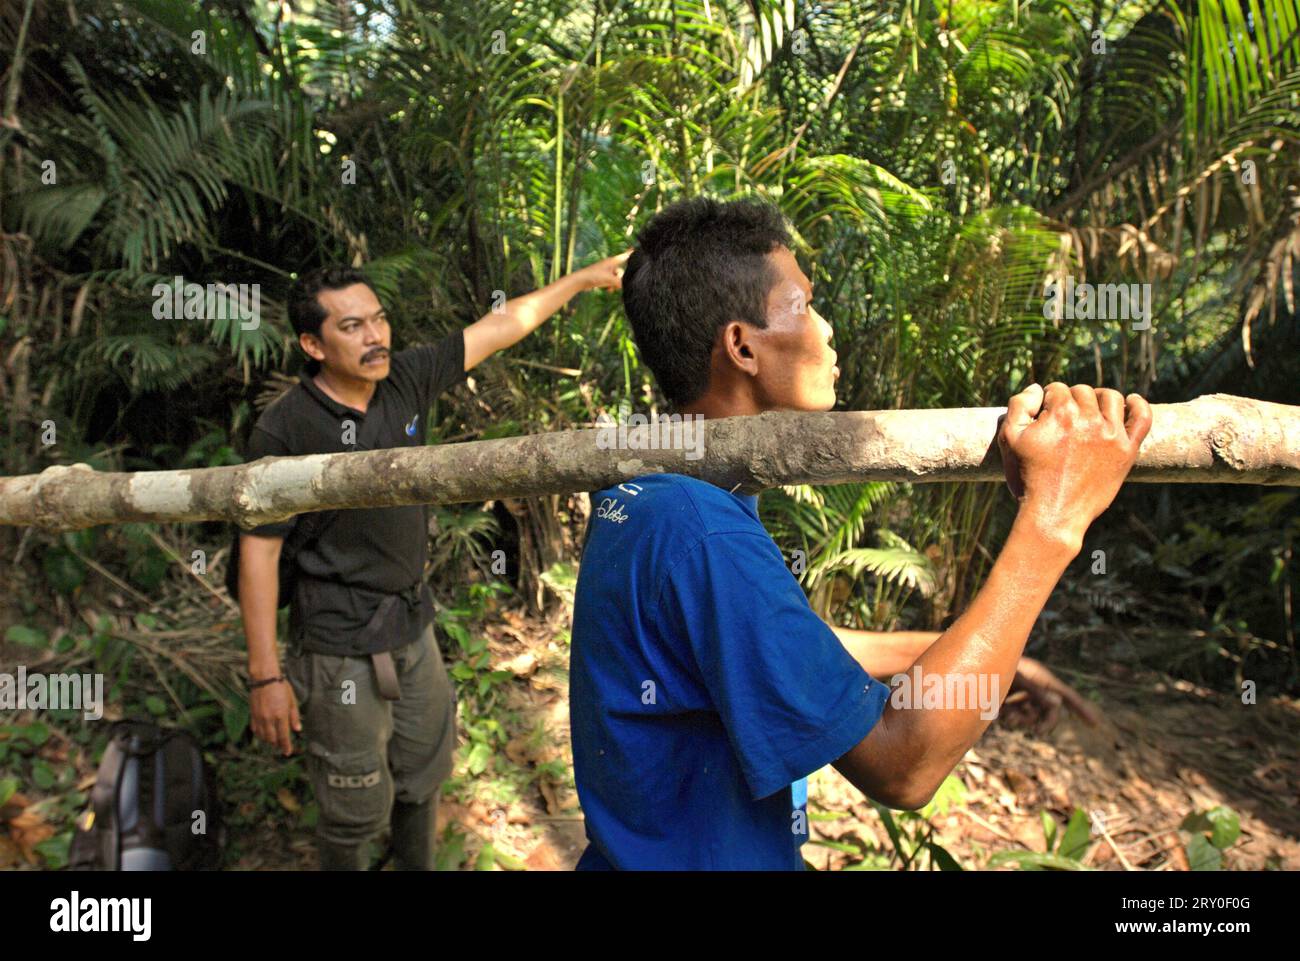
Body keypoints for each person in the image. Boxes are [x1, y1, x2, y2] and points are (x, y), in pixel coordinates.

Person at [569, 197, 1152, 869]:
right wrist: (1054, 518)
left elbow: (775, 647)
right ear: (742, 345)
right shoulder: (703, 530)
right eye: (806, 305)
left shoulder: (648, 496)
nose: (826, 328)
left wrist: (981, 657)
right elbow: (902, 761)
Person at [238, 254, 627, 870]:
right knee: (354, 808)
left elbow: (500, 326)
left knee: (424, 776)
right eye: (353, 327)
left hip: (412, 627)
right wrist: (265, 677)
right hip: (337, 639)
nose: (376, 337)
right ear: (312, 344)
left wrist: (581, 280)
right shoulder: (285, 428)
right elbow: (259, 550)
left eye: (380, 320)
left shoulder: (405, 381)